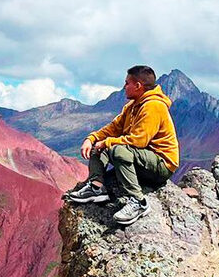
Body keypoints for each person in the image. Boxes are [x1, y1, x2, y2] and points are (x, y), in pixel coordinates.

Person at [69, 65, 179, 225]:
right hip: (142, 159)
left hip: (161, 165)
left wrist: (106, 143)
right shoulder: (132, 106)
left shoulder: (154, 106)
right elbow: (113, 129)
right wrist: (91, 139)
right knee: (100, 148)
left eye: (127, 83)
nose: (124, 87)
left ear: (138, 86)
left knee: (118, 150)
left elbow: (138, 141)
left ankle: (138, 202)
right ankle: (97, 187)